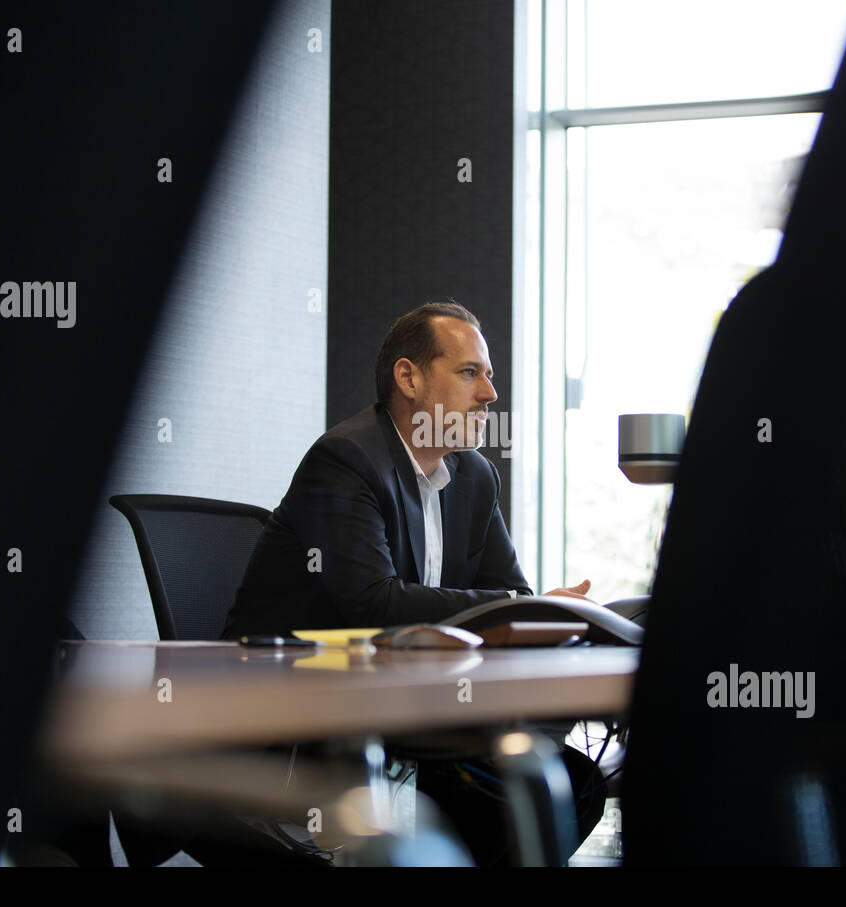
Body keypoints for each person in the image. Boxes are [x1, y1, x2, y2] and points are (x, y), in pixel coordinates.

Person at [220, 301, 606, 865]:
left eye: (489, 375)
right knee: (530, 794)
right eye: (470, 372)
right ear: (409, 377)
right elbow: (369, 604)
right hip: (310, 729)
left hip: (408, 719)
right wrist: (522, 607)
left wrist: (539, 613)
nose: (490, 394)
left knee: (573, 782)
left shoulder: (473, 476)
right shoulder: (345, 460)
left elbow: (508, 595)